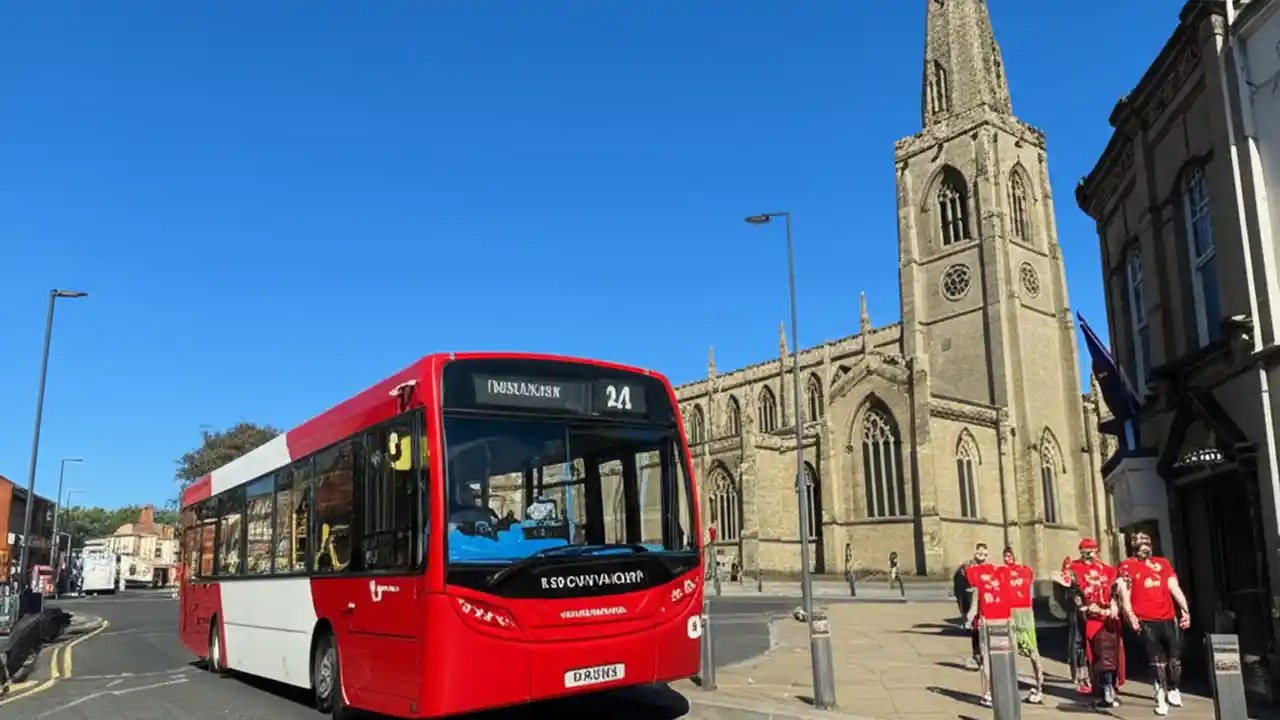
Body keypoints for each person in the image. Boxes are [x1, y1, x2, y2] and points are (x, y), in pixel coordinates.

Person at [1117, 531, 1190, 716]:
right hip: (1146, 620)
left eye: (1146, 546)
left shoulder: (1163, 563)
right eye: (1140, 548)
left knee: (1175, 661)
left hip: (1168, 617)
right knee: (1157, 663)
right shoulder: (1127, 566)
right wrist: (1130, 615)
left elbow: (1174, 587)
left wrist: (1185, 609)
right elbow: (1125, 593)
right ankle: (1160, 697)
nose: (1144, 550)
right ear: (1134, 549)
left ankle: (1173, 688)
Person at [1054, 537, 1125, 708]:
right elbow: (1060, 580)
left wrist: (1116, 604)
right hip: (1088, 617)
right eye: (1085, 552)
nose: (1088, 555)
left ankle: (1109, 687)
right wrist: (1076, 599)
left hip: (1107, 616)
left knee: (1110, 653)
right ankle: (1099, 688)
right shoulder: (1075, 568)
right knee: (1094, 654)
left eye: (1091, 551)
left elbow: (1117, 590)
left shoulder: (1108, 570)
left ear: (1097, 551)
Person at [999, 546, 1044, 704]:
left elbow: (1030, 587)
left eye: (1009, 555)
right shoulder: (1001, 572)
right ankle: (1010, 684)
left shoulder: (1026, 570)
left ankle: (1040, 684)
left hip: (1024, 611)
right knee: (1012, 648)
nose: (1007, 558)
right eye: (1005, 556)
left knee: (1032, 648)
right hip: (1010, 611)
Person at [963, 542, 1006, 708]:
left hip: (987, 619)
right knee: (987, 657)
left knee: (987, 658)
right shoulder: (973, 569)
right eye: (978, 552)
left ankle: (990, 693)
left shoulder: (987, 571)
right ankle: (990, 692)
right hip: (987, 619)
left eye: (984, 552)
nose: (981, 554)